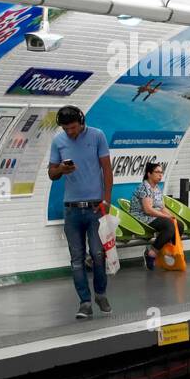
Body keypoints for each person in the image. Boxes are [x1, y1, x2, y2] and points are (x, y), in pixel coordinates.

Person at [48, 105, 113, 318]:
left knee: (97, 254)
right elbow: (52, 174)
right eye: (66, 128)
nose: (69, 132)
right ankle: (84, 302)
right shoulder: (58, 141)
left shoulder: (97, 136)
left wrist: (107, 200)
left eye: (73, 127)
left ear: (81, 122)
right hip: (71, 210)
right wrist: (61, 169)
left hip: (95, 207)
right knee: (76, 258)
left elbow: (106, 169)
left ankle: (101, 293)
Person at [131, 162, 178, 271]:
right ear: (149, 174)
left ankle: (170, 252)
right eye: (157, 172)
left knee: (178, 225)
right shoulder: (144, 187)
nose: (160, 175)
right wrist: (166, 217)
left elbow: (162, 207)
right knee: (169, 225)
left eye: (161, 172)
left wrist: (172, 216)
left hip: (154, 216)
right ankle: (151, 254)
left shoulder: (157, 188)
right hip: (141, 218)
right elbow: (148, 210)